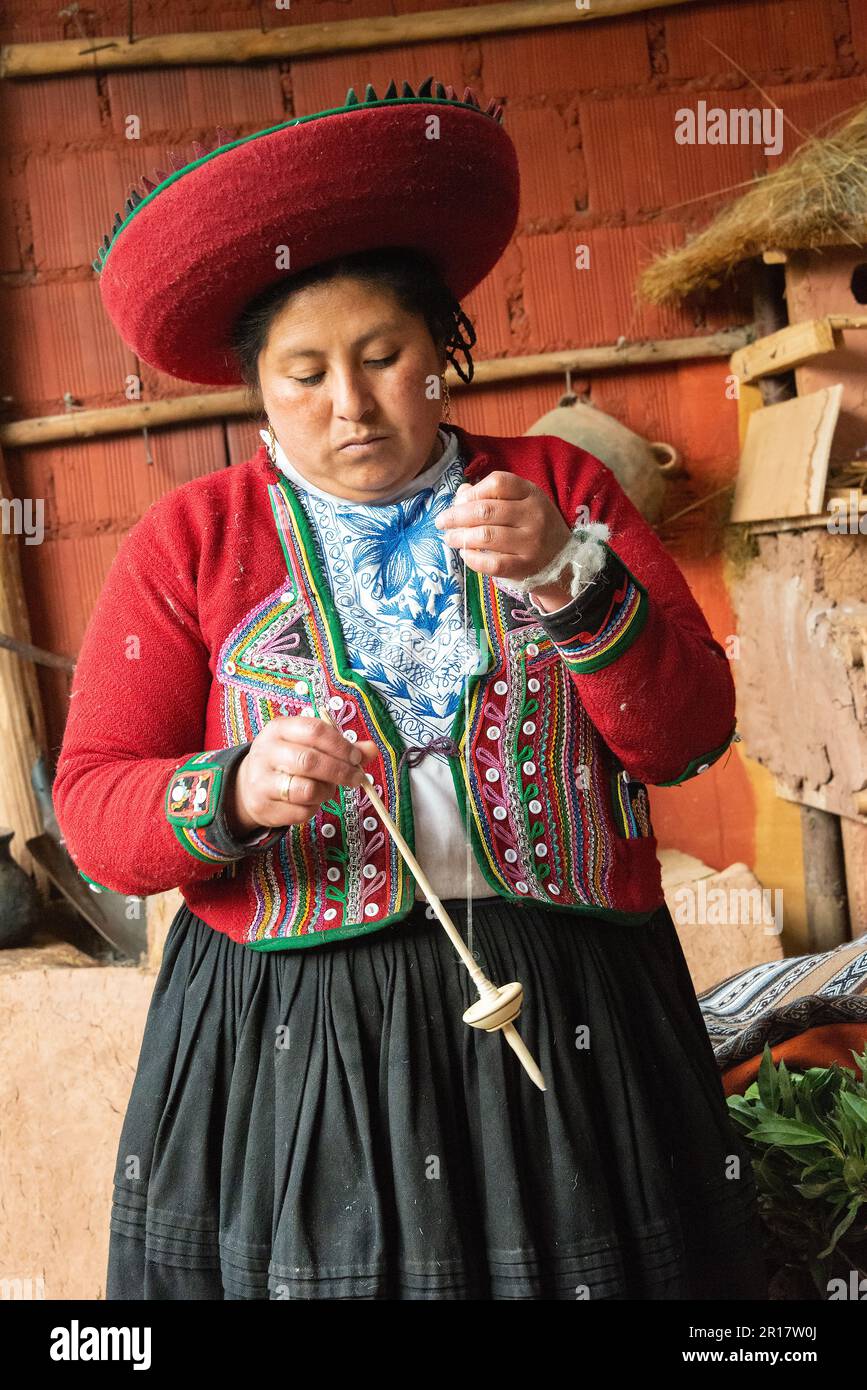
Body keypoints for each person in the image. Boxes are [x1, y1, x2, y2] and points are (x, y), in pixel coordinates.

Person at [54, 77, 768, 1300]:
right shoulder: (191, 540)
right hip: (298, 1043)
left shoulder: (558, 489)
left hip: (575, 1003)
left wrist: (565, 576)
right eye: (303, 375)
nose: (351, 406)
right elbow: (93, 807)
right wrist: (229, 787)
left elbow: (689, 734)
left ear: (443, 348)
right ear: (256, 391)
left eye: (383, 356)